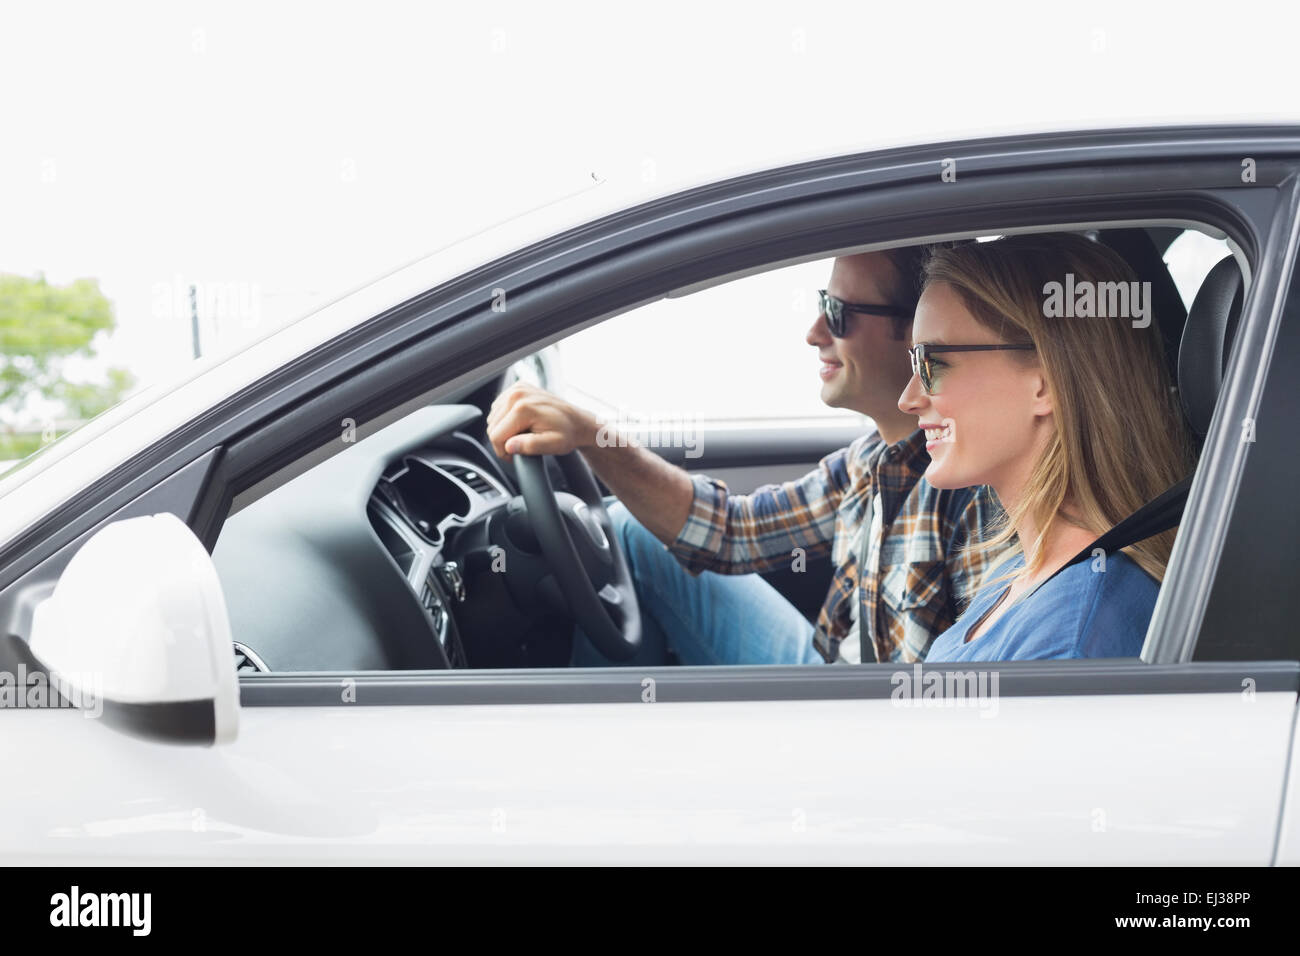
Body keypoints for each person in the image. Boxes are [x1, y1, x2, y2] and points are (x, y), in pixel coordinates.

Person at [486, 246, 1003, 666]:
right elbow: (732, 532)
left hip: (863, 730)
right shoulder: (868, 461)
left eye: (838, 315)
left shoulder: (976, 491)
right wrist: (590, 435)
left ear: (920, 334)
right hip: (833, 677)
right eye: (824, 303)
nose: (814, 332)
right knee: (629, 532)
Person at [899, 235, 1194, 662]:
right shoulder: (1020, 570)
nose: (907, 398)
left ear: (1045, 382)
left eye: (933, 363)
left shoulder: (1071, 638)